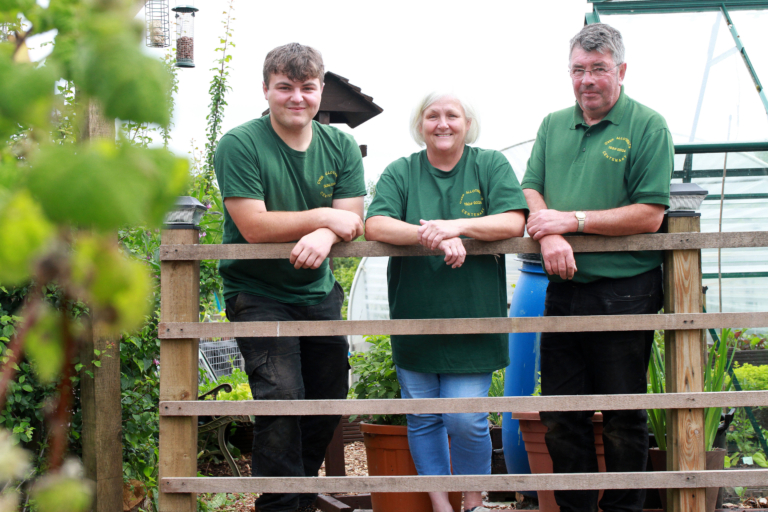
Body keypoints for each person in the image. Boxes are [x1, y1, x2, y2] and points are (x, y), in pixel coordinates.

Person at [521, 23, 673, 512]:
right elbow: (529, 190)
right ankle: (577, 507)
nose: (587, 80)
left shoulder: (648, 126)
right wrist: (550, 231)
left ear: (621, 71)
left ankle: (624, 508)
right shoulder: (551, 124)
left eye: (599, 69)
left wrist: (574, 220)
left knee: (624, 412)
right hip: (563, 287)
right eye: (578, 70)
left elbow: (650, 215)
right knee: (561, 413)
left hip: (626, 287)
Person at [214, 42, 366, 512]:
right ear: (266, 90)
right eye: (285, 87)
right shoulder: (240, 144)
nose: (296, 97)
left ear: (320, 90)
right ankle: (282, 505)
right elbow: (255, 227)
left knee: (328, 397)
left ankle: (293, 495)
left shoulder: (339, 144)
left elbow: (352, 219)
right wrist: (323, 220)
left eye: (307, 87)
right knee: (280, 397)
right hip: (256, 290)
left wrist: (325, 235)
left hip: (318, 290)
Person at [365, 92, 528, 512]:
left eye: (452, 115)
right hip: (415, 317)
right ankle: (441, 505)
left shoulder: (488, 165)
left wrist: (457, 226)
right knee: (423, 417)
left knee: (465, 418)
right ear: (420, 125)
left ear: (467, 123)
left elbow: (513, 219)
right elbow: (376, 223)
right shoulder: (402, 171)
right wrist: (433, 236)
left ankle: (472, 502)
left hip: (474, 319)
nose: (442, 123)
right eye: (432, 116)